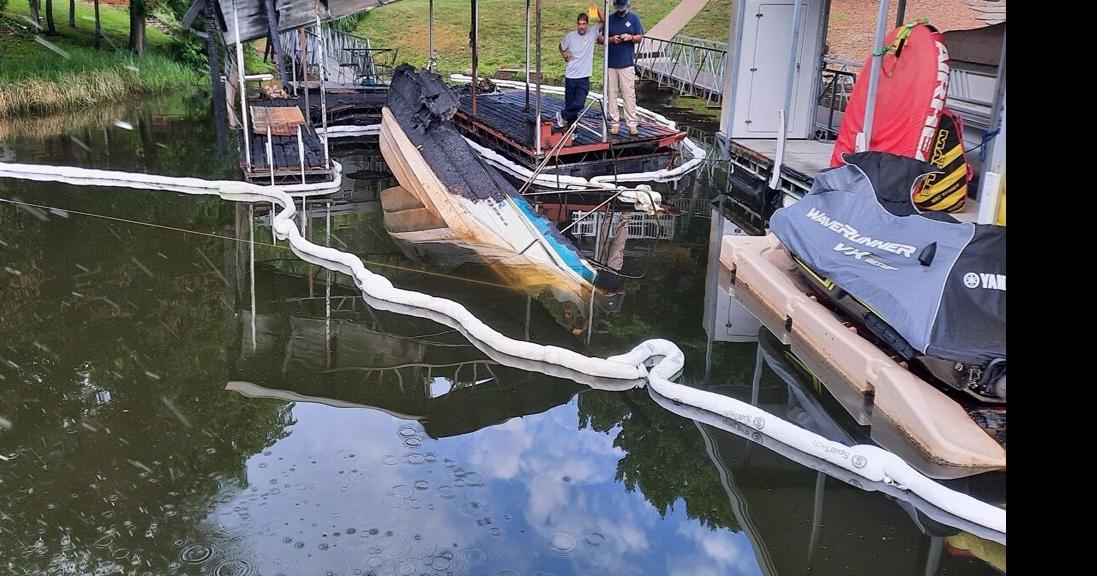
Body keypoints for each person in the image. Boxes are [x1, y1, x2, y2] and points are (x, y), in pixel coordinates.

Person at [598, 0, 644, 136]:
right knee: (611, 94)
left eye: (622, 8)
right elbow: (599, 38)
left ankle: (632, 124)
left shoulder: (634, 18)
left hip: (627, 63)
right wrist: (611, 39)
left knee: (629, 95)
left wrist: (630, 37)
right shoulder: (610, 19)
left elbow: (640, 37)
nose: (621, 11)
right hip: (611, 64)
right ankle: (614, 123)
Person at [556, 9, 602, 129]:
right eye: (579, 24)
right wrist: (564, 53)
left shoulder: (592, 34)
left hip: (583, 77)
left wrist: (596, 9)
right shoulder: (570, 36)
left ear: (587, 24)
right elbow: (561, 46)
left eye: (584, 24)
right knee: (571, 104)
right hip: (571, 76)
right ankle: (572, 132)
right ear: (577, 24)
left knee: (580, 104)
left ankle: (562, 115)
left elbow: (605, 21)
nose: (581, 26)